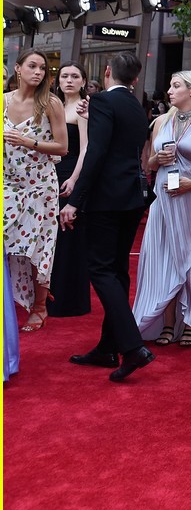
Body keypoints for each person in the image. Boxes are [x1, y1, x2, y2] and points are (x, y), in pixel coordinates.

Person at [61, 52, 156, 381]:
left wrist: (75, 199)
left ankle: (131, 347)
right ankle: (108, 347)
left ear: (106, 72)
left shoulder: (101, 101)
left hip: (106, 199)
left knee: (101, 270)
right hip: (131, 199)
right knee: (116, 270)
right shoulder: (136, 106)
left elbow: (97, 152)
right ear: (135, 78)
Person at [131, 70, 191, 348]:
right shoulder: (161, 121)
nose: (169, 90)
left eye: (176, 85)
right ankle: (166, 323)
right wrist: (157, 158)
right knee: (162, 261)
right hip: (163, 202)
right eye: (170, 84)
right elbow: (149, 166)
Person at [3, 49, 69, 332]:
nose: (39, 72)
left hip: (40, 186)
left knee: (38, 247)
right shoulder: (3, 102)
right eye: (32, 66)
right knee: (7, 241)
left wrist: (28, 142)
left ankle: (40, 307)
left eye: (43, 68)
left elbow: (63, 148)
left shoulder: (50, 103)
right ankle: (10, 301)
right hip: (7, 184)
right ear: (18, 69)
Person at [49, 62, 92, 318]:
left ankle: (68, 301)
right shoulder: (53, 105)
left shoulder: (84, 108)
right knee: (51, 237)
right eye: (64, 75)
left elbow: (87, 148)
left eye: (75, 76)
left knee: (69, 236)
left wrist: (75, 179)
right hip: (48, 174)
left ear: (83, 81)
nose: (69, 80)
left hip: (70, 175)